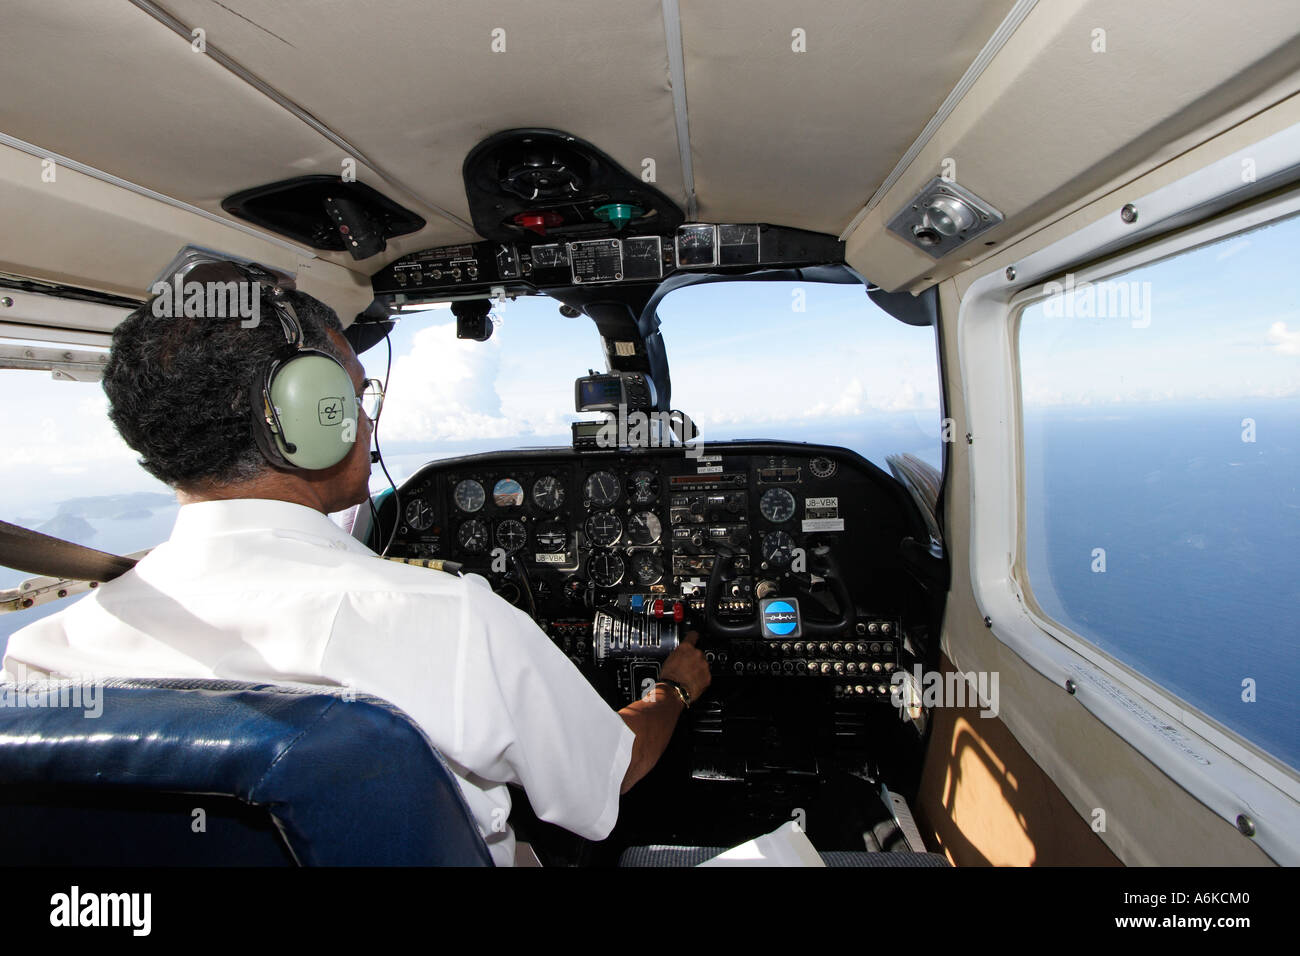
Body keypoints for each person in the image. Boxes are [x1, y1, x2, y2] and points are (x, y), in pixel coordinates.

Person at [1, 262, 711, 865]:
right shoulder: (446, 620)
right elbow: (607, 776)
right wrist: (672, 689)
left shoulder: (33, 666)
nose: (365, 418)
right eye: (355, 393)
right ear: (310, 413)